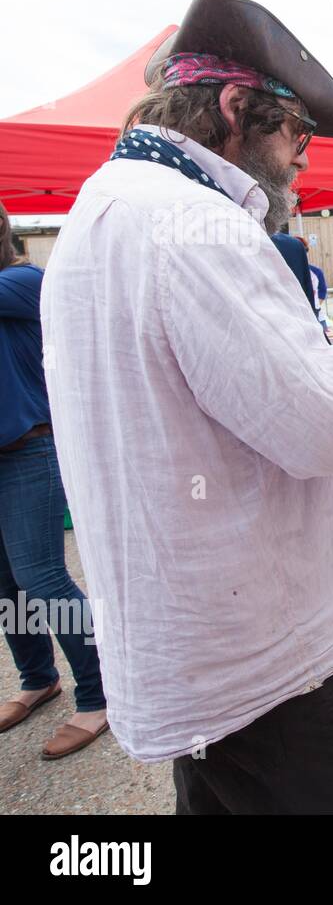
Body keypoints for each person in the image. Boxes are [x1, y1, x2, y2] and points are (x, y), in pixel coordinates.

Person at [39, 0, 333, 814]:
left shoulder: (106, 208)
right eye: (295, 133)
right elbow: (330, 424)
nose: (303, 158)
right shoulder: (195, 224)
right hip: (276, 668)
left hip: (207, 660)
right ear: (235, 108)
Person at [0, 202, 108, 760]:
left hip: (29, 452)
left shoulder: (21, 281)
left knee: (42, 579)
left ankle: (99, 693)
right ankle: (36, 679)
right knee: (7, 587)